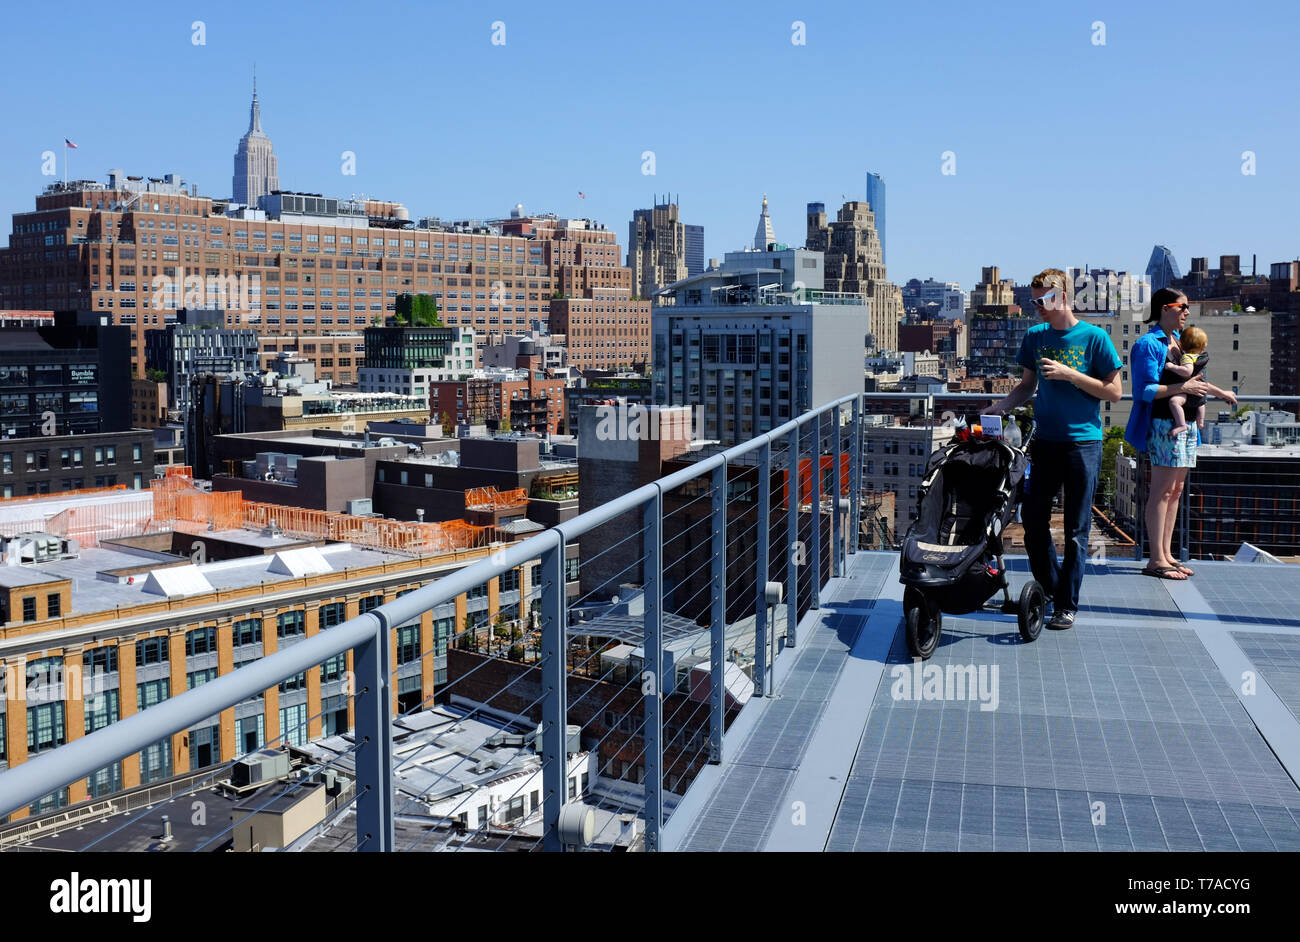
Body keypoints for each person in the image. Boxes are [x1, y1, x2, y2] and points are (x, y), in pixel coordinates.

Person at [988, 268, 1123, 629]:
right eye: (1033, 301)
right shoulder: (1035, 337)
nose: (1038, 308)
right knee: (1032, 520)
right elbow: (1026, 386)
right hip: (1044, 442)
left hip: (1084, 444)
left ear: (1063, 296)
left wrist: (1070, 375)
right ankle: (1051, 588)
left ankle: (1067, 605)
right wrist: (1000, 407)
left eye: (1044, 300)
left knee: (1078, 529)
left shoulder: (1094, 337)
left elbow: (1114, 391)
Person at [1125, 290, 1235, 579]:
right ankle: (1156, 560)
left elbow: (1198, 380)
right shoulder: (1149, 344)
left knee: (1175, 492)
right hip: (1163, 423)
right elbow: (1143, 391)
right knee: (1161, 492)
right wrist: (1181, 390)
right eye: (1182, 307)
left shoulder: (1182, 341)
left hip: (1184, 427)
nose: (1187, 312)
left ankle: (1167, 554)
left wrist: (1219, 393)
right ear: (1165, 308)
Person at [1161, 324, 1209, 436]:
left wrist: (1172, 367)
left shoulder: (1187, 357)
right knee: (1201, 404)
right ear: (1203, 346)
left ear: (1181, 345)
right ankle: (1201, 421)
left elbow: (1187, 371)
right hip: (1201, 393)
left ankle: (1181, 424)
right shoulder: (1201, 357)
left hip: (1190, 392)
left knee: (1174, 402)